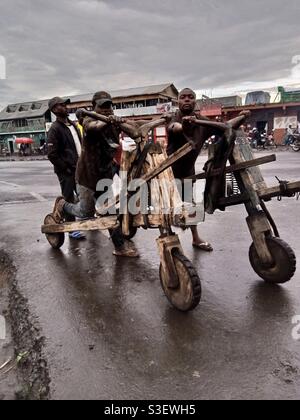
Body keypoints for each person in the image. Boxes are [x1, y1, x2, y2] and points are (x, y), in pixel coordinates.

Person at [52, 91, 140, 257]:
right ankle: (62, 205)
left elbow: (135, 128)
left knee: (109, 212)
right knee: (85, 212)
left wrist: (123, 123)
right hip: (87, 176)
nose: (107, 110)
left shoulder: (113, 122)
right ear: (94, 108)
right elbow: (94, 127)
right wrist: (108, 122)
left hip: (104, 175)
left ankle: (119, 247)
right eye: (102, 107)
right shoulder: (88, 120)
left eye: (109, 106)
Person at [166, 88, 222, 252]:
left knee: (189, 206)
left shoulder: (202, 121)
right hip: (168, 171)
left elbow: (222, 128)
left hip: (187, 172)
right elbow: (174, 128)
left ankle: (196, 238)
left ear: (195, 101)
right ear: (178, 101)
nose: (187, 100)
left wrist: (241, 117)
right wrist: (183, 126)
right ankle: (169, 239)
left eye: (190, 97)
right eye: (183, 97)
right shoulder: (172, 117)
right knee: (168, 208)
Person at [47, 97, 86, 240]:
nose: (65, 107)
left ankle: (85, 218)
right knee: (68, 197)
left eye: (65, 104)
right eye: (61, 105)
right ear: (54, 110)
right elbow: (52, 154)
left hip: (80, 168)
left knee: (84, 195)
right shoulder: (54, 129)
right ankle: (71, 229)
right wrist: (67, 168)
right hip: (67, 172)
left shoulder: (72, 125)